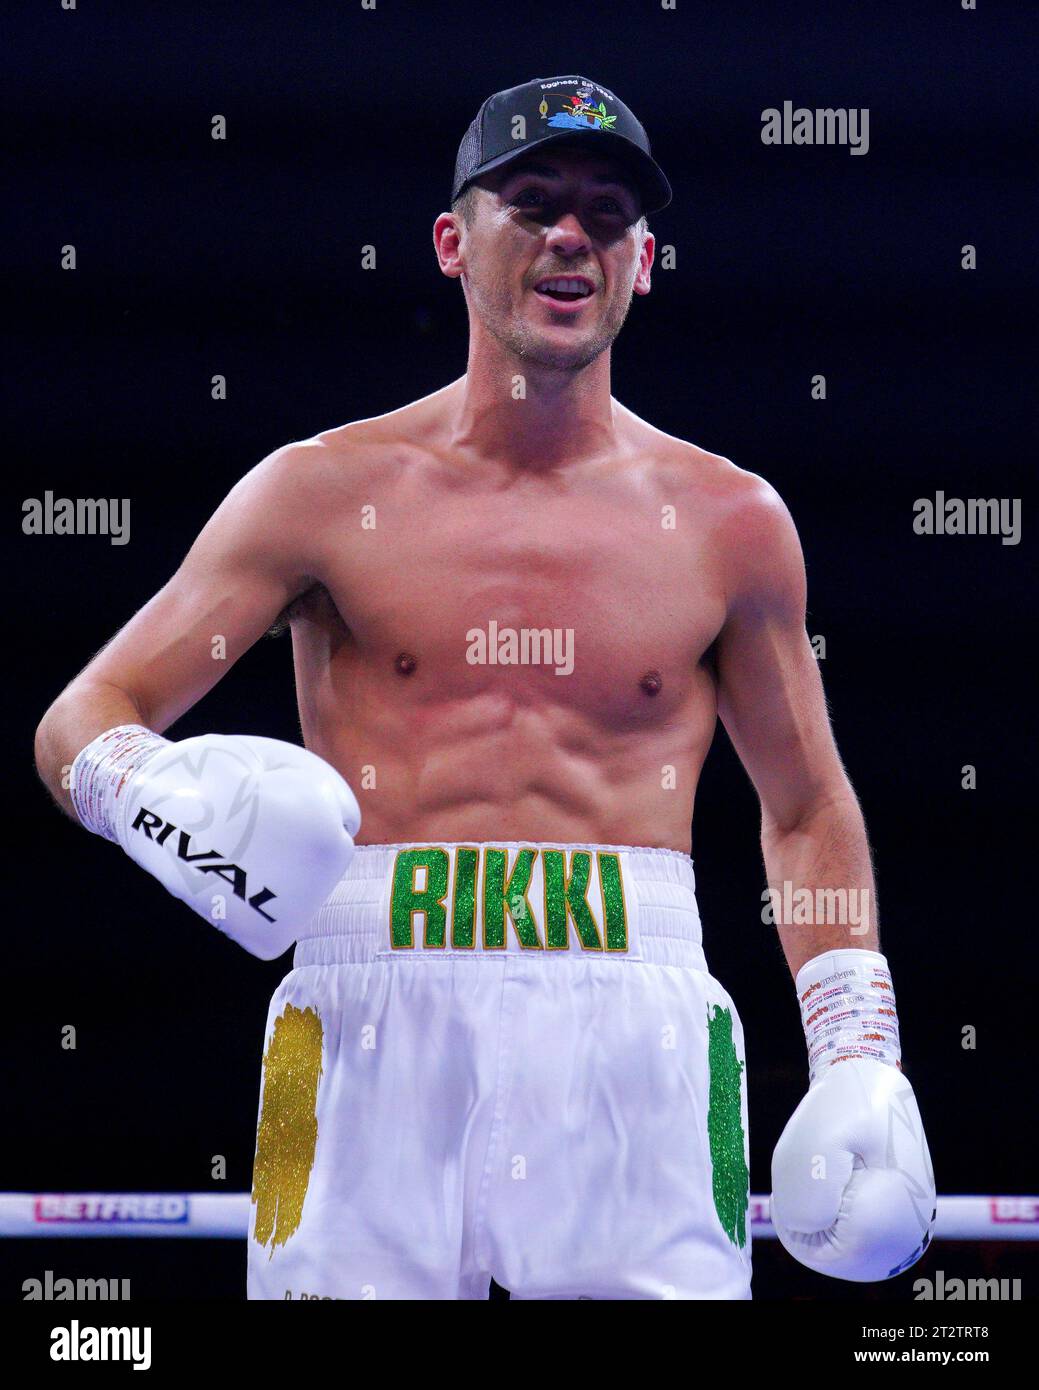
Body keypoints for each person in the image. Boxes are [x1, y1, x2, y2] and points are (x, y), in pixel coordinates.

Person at [34, 74, 934, 1300]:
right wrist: (156, 794)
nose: (574, 234)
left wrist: (854, 1054)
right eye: (535, 201)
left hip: (639, 1016)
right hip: (355, 1020)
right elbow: (81, 718)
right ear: (454, 243)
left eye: (609, 214)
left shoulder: (732, 522)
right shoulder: (316, 491)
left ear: (646, 262)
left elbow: (803, 807)